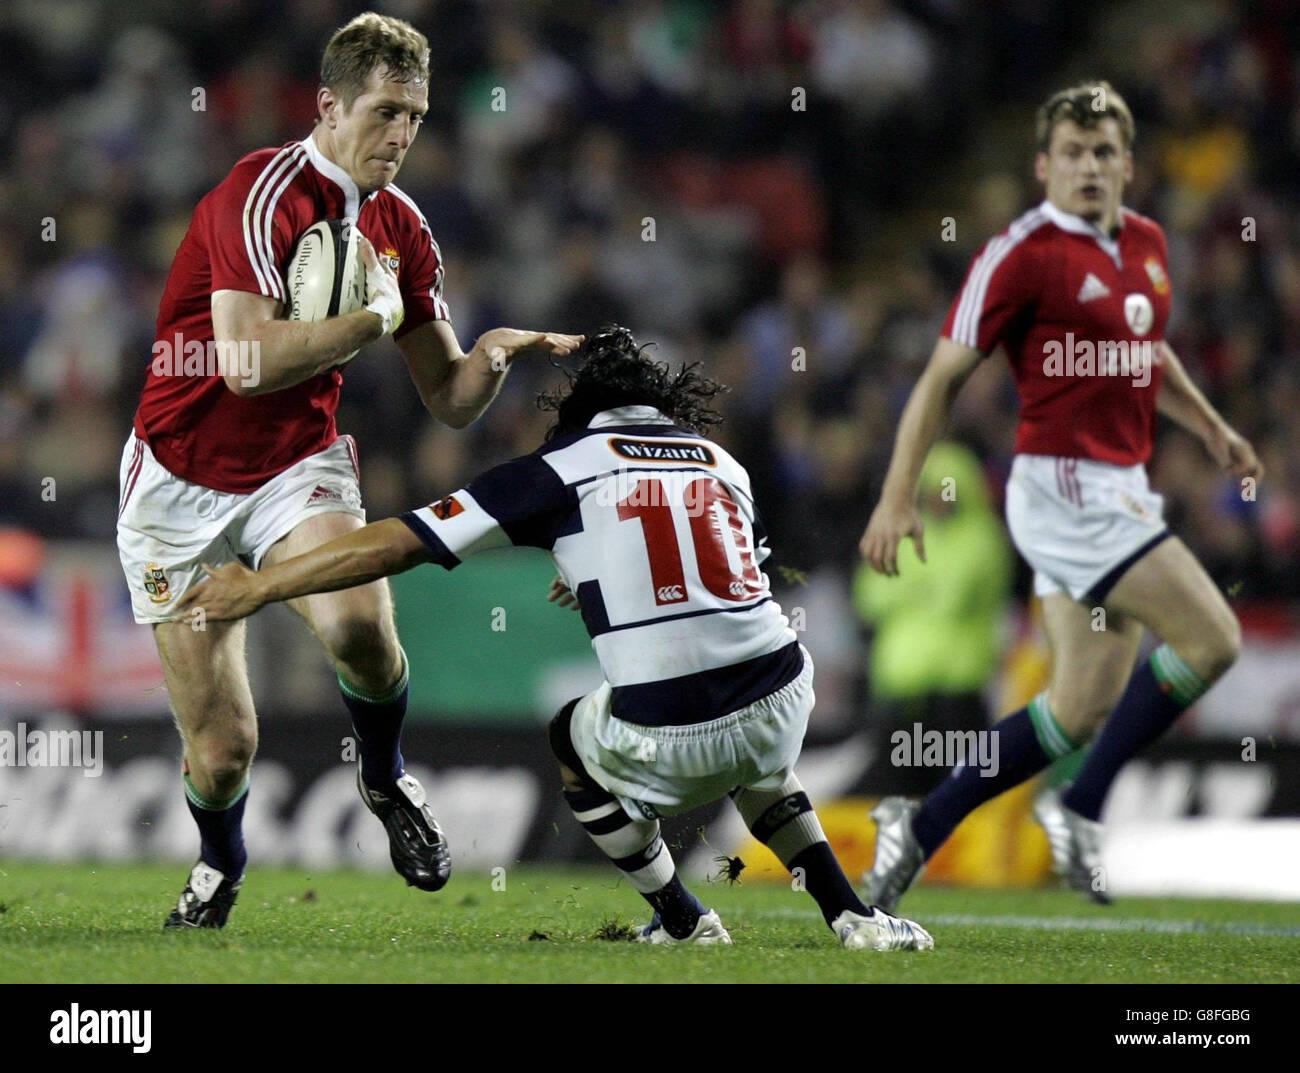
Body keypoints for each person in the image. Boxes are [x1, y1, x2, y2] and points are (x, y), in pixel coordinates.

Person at [178, 327, 934, 951]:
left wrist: (263, 583)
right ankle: (853, 916)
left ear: (578, 415)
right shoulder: (721, 461)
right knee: (756, 746)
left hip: (671, 734)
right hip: (784, 700)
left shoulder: (559, 467)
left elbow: (396, 543)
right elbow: (727, 577)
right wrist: (603, 567)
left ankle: (681, 916)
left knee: (571, 740)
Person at [116, 11, 580, 929]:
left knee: (362, 624)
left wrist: (487, 356)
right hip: (179, 477)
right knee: (223, 751)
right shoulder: (260, 194)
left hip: (297, 463)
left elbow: (446, 397)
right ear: (329, 107)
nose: (402, 134)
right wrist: (368, 322)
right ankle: (218, 865)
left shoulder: (403, 227)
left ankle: (383, 772)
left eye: (416, 114)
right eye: (384, 111)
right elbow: (244, 363)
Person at [858, 81, 1260, 907]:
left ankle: (921, 825)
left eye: (1103, 152)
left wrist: (1212, 428)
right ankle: (1083, 805)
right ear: (1044, 166)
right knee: (1214, 637)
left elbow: (1148, 355)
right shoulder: (1021, 253)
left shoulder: (1147, 242)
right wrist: (896, 494)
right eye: (1072, 153)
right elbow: (939, 378)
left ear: (1127, 165)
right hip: (1062, 491)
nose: (1088, 167)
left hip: (1122, 486)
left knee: (1077, 709)